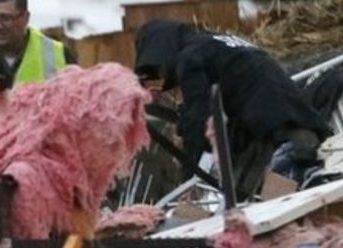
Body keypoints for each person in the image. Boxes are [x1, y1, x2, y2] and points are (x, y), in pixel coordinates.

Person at [134, 19, 330, 197]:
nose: (160, 72)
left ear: (160, 48)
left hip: (278, 139)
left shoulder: (190, 57)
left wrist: (188, 176)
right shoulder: (219, 43)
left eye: (159, 67)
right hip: (301, 127)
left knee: (261, 206)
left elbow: (198, 120)